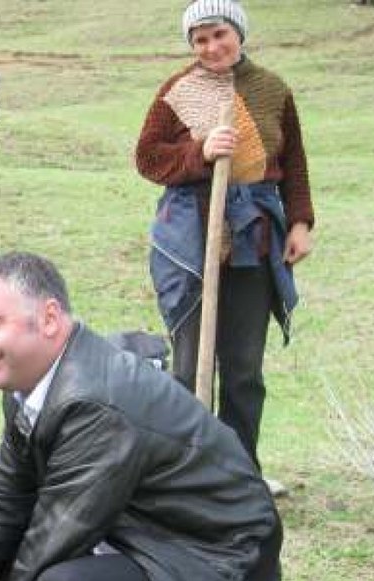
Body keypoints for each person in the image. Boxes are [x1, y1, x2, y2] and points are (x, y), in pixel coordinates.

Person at [0, 252, 283, 581]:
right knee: (2, 556)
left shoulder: (94, 403)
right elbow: (3, 497)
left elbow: (59, 533)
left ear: (49, 319)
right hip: (140, 534)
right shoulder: (27, 386)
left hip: (219, 563)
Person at [135, 0, 315, 476]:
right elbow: (148, 158)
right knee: (189, 364)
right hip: (190, 238)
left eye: (220, 34)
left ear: (239, 33)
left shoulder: (272, 90)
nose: (212, 47)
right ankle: (185, 473)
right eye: (200, 39)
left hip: (255, 239)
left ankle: (238, 474)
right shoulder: (177, 91)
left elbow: (294, 162)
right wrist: (200, 152)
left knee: (243, 369)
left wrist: (300, 222)